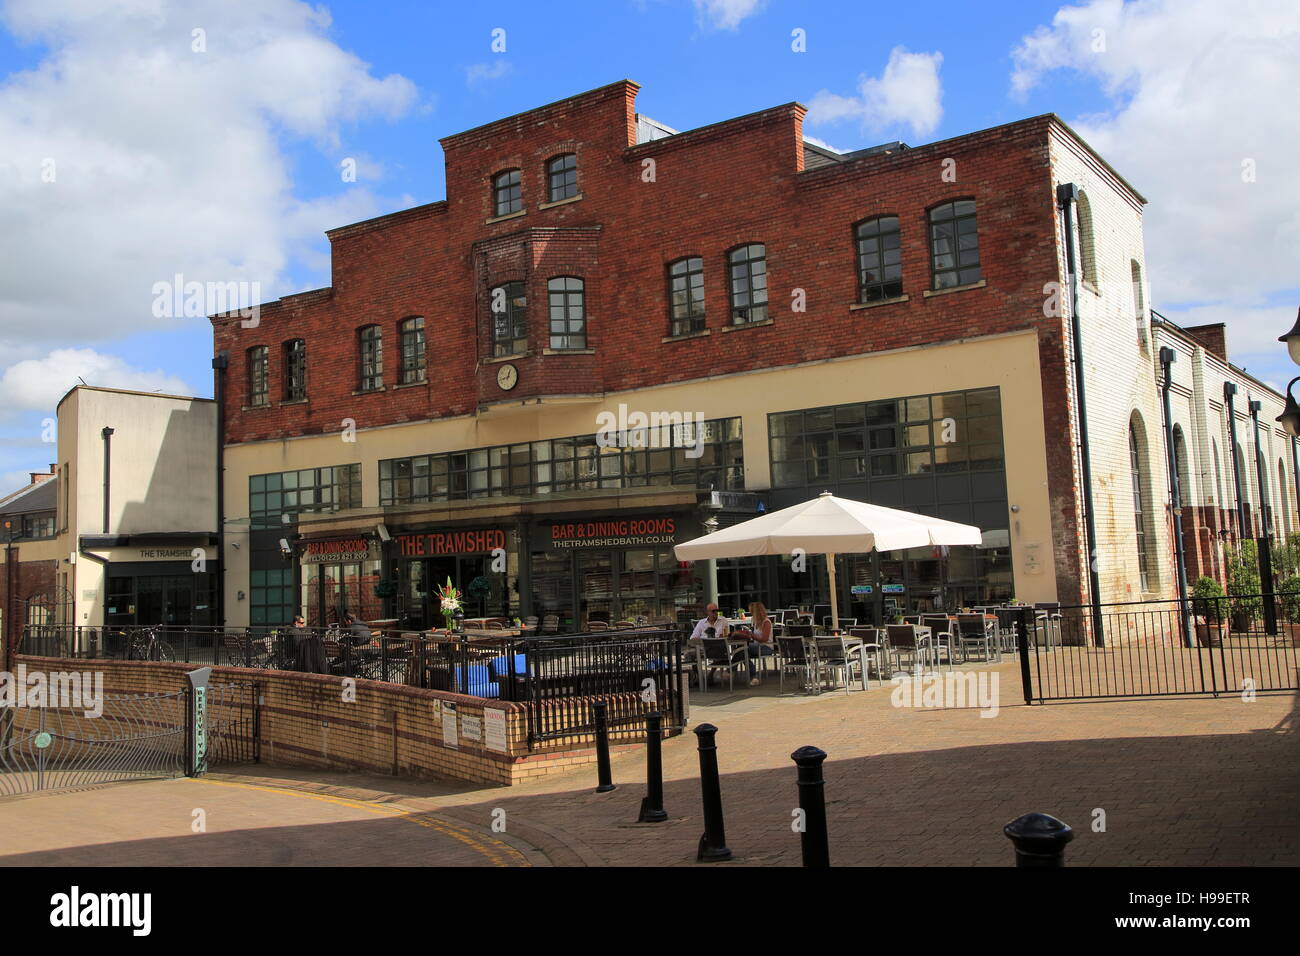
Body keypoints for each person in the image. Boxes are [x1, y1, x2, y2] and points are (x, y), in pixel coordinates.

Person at [730, 601, 776, 686]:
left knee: (742, 650)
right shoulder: (756, 623)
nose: (751, 614)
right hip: (756, 646)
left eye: (752, 612)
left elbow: (764, 639)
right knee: (742, 652)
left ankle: (732, 670)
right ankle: (753, 676)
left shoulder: (766, 622)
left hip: (766, 647)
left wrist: (751, 635)